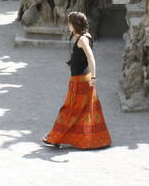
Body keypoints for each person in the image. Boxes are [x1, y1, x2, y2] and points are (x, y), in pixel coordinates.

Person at [43, 11, 112, 149]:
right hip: (82, 78)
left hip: (81, 80)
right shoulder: (85, 35)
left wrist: (94, 76)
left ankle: (55, 138)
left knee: (69, 109)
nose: (68, 25)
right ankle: (95, 140)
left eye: (69, 23)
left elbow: (91, 57)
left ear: (74, 24)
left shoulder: (82, 39)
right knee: (85, 110)